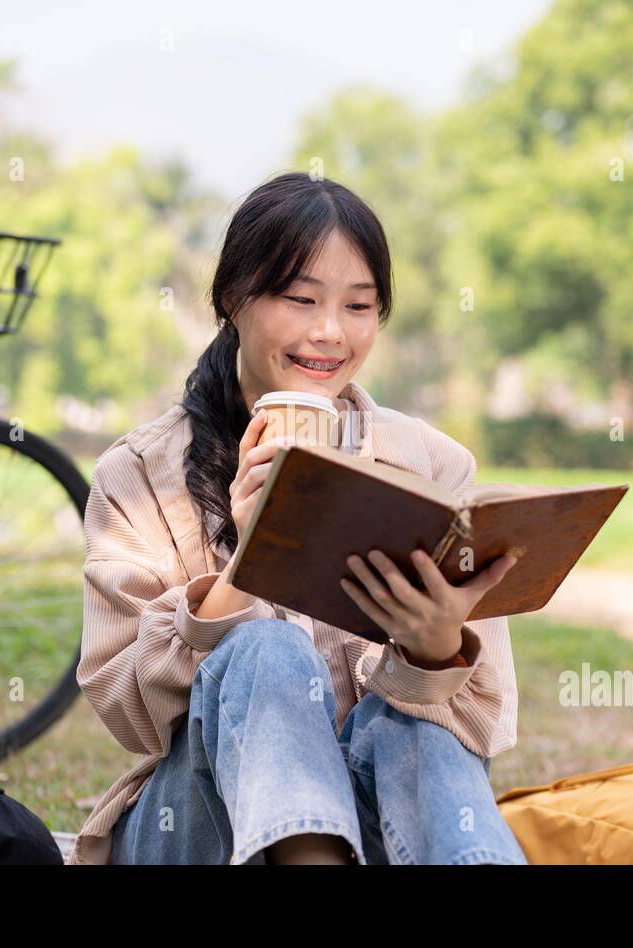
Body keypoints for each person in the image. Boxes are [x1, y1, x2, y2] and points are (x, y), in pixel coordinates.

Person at [67, 171, 526, 865]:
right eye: (300, 299)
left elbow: (479, 733)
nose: (329, 333)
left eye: (359, 306)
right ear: (233, 299)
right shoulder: (136, 477)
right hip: (201, 830)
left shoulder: (433, 467)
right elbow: (129, 709)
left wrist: (434, 648)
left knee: (418, 725)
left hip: (378, 834)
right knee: (266, 652)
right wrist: (251, 563)